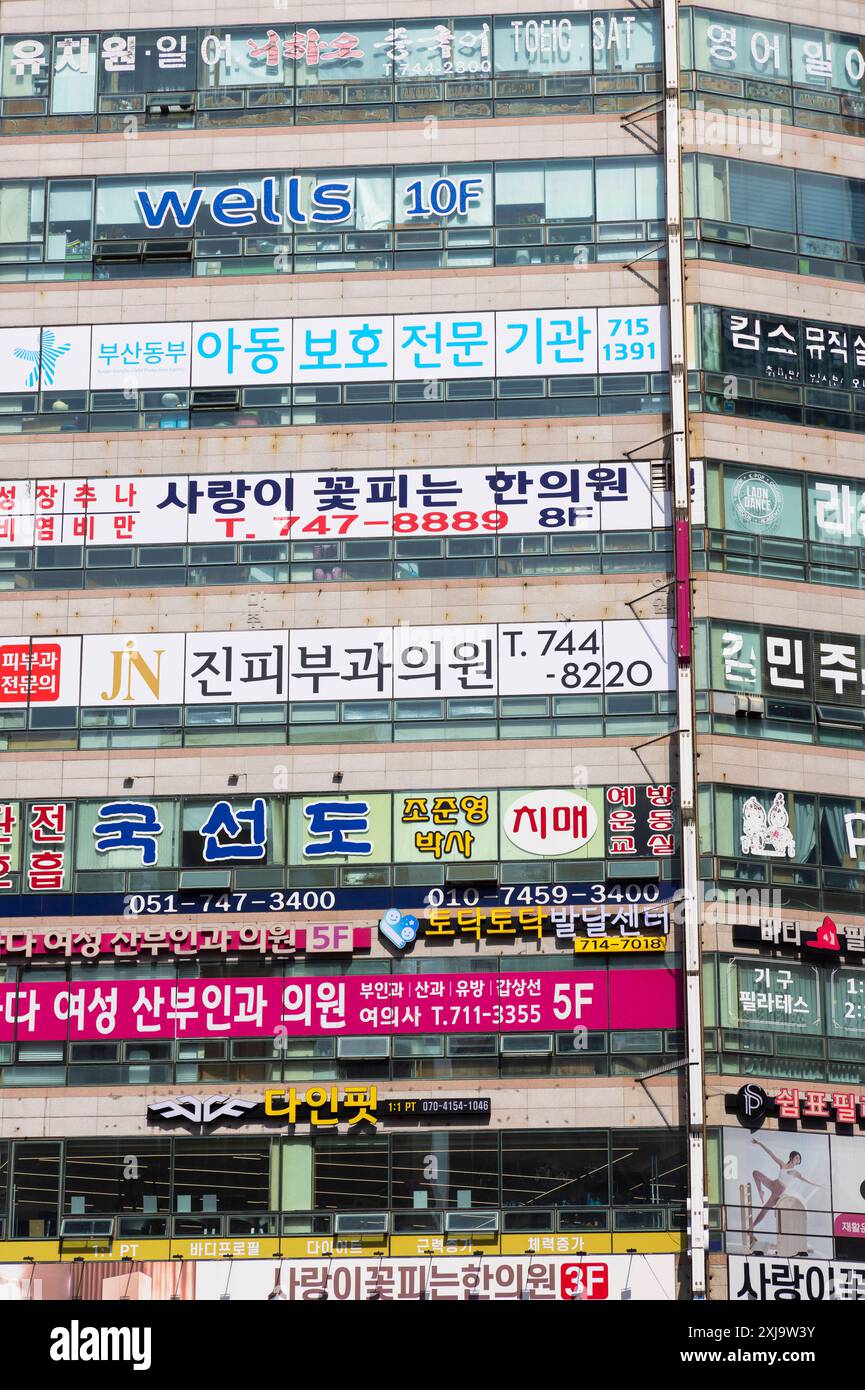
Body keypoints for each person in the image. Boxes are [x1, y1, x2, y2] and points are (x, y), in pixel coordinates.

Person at [747, 1137, 824, 1246]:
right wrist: (759, 1143)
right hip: (773, 1184)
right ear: (791, 1158)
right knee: (755, 1173)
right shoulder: (783, 1165)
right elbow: (771, 1154)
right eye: (797, 1158)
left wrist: (819, 1185)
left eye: (799, 1159)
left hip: (777, 1193)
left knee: (764, 1210)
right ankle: (761, 1191)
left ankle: (751, 1229)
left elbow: (806, 1181)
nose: (798, 1160)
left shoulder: (795, 1173)